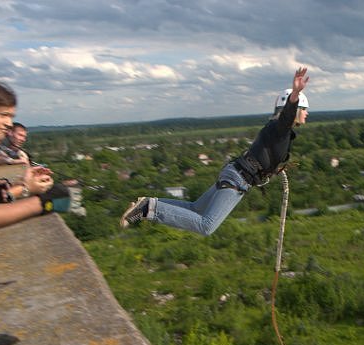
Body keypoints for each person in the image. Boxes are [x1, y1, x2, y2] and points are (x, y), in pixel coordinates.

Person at [120, 67, 310, 235]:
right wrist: (295, 94)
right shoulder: (280, 128)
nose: (307, 113)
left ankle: (149, 203)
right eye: (304, 109)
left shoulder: (277, 131)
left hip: (236, 173)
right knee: (207, 225)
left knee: (196, 209)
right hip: (239, 178)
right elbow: (287, 116)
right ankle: (147, 209)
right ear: (295, 110)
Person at [0, 81, 70, 233]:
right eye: (3, 115)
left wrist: (22, 185)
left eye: (11, 117)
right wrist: (42, 202)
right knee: (58, 192)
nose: (9, 124)